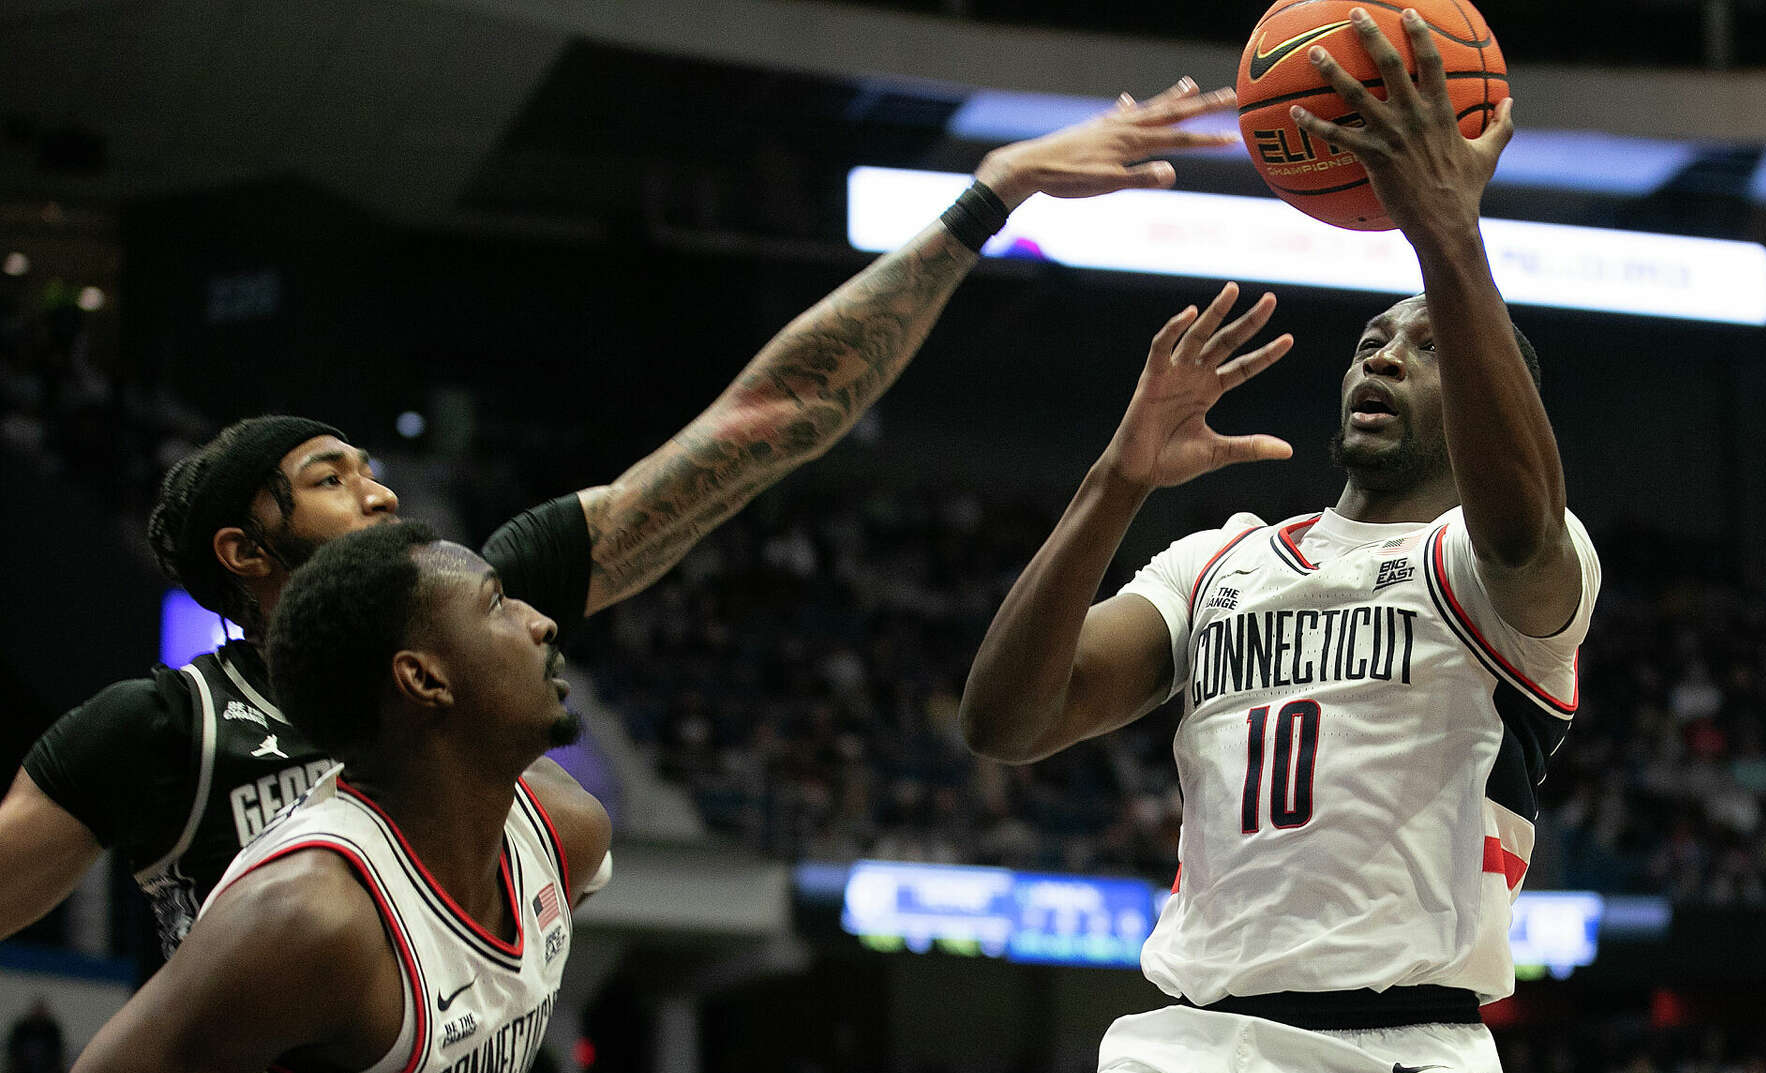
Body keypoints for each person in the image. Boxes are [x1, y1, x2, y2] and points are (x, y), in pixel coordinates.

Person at [0, 80, 1238, 958]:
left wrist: (986, 198)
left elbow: (776, 416)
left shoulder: (485, 605)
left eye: (372, 465)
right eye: (332, 476)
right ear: (244, 550)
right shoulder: (165, 730)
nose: (381, 489)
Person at [961, 13, 1601, 1073]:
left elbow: (1518, 500)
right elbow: (1005, 721)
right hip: (1189, 1050)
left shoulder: (1512, 569)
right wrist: (1114, 481)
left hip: (1391, 1071)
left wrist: (1444, 234)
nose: (1386, 353)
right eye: (1376, 337)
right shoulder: (1218, 563)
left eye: (1427, 348)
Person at [0, 521, 612, 1073]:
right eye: (496, 605)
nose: (539, 619)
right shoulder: (309, 921)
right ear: (423, 679)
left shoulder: (566, 836)